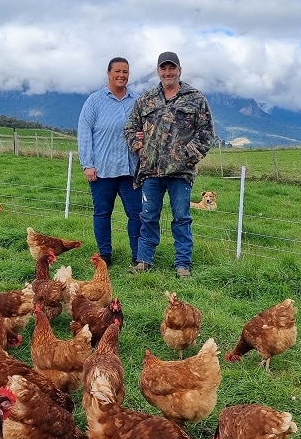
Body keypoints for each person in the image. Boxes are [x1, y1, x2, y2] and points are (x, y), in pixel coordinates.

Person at [124, 51, 215, 278]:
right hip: (150, 172)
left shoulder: (195, 98)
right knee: (148, 217)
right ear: (158, 71)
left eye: (171, 68)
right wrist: (139, 146)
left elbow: (206, 134)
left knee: (182, 218)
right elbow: (129, 128)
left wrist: (185, 157)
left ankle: (182, 265)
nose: (168, 72)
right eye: (163, 68)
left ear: (179, 70)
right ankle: (145, 261)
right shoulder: (146, 100)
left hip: (180, 174)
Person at [77, 56, 142, 267]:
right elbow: (84, 133)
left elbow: (146, 127)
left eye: (125, 72)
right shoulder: (94, 101)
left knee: (136, 215)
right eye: (118, 71)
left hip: (130, 170)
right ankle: (105, 255)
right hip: (102, 171)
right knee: (102, 213)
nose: (122, 75)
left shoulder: (137, 100)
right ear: (109, 73)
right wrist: (88, 164)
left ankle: (138, 256)